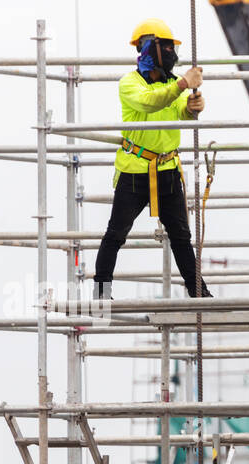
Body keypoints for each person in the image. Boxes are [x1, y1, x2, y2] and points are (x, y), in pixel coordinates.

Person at [93, 18, 211, 300]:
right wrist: (184, 84)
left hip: (168, 169)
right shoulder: (130, 84)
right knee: (116, 234)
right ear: (149, 48)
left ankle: (198, 291)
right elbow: (152, 101)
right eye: (167, 47)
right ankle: (101, 293)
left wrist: (194, 105)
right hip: (135, 169)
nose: (172, 54)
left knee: (182, 237)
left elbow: (181, 108)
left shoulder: (173, 84)